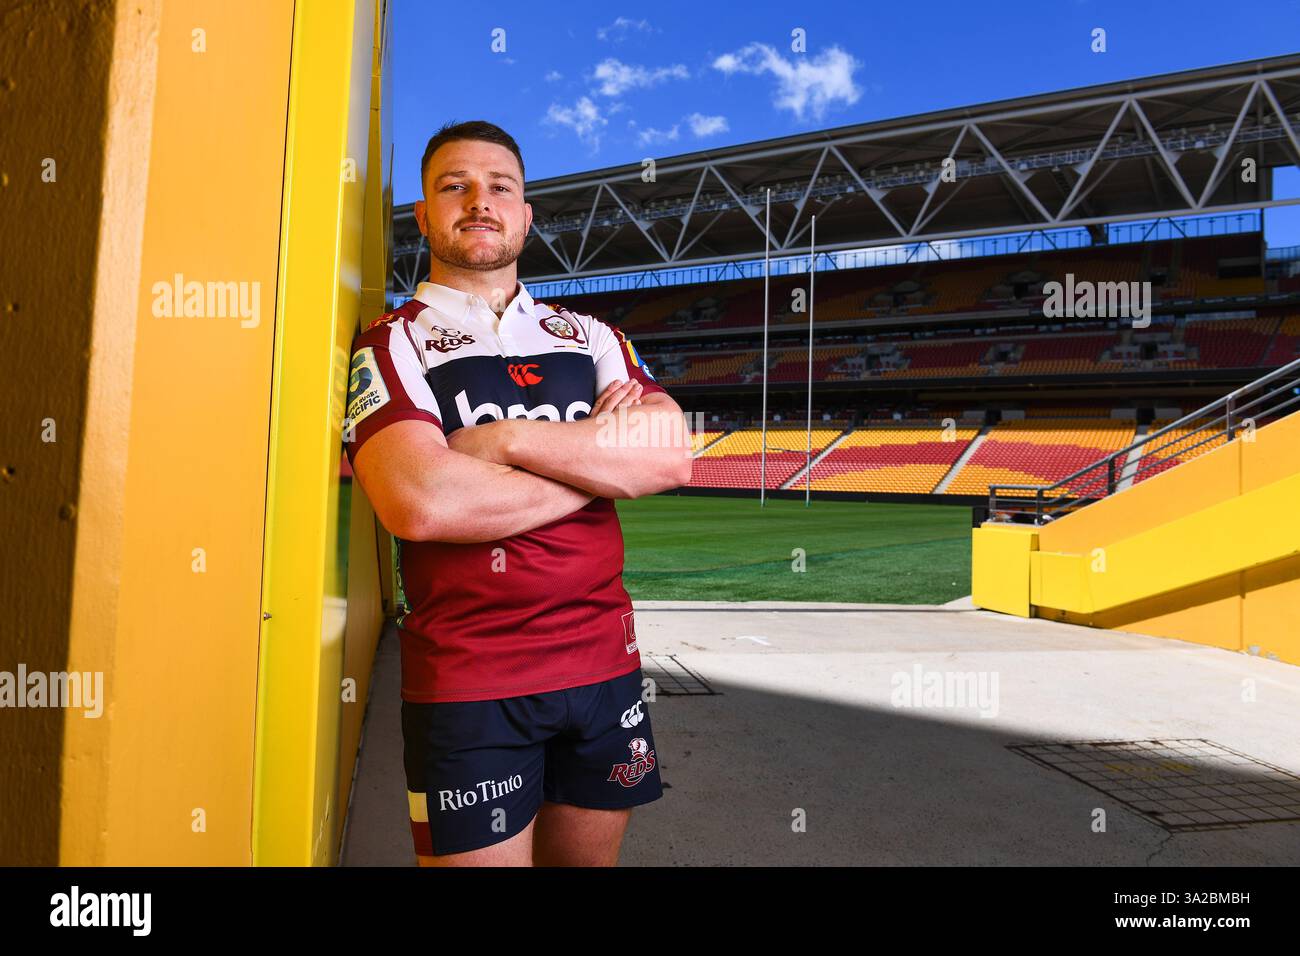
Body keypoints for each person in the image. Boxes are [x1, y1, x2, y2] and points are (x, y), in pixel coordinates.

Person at [344, 120, 692, 866]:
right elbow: (422, 502)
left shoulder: (591, 335)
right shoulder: (391, 341)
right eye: (454, 186)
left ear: (526, 215)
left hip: (606, 669)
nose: (479, 201)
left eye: (500, 186)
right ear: (424, 215)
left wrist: (502, 440)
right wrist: (597, 472)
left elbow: (668, 456)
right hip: (470, 682)